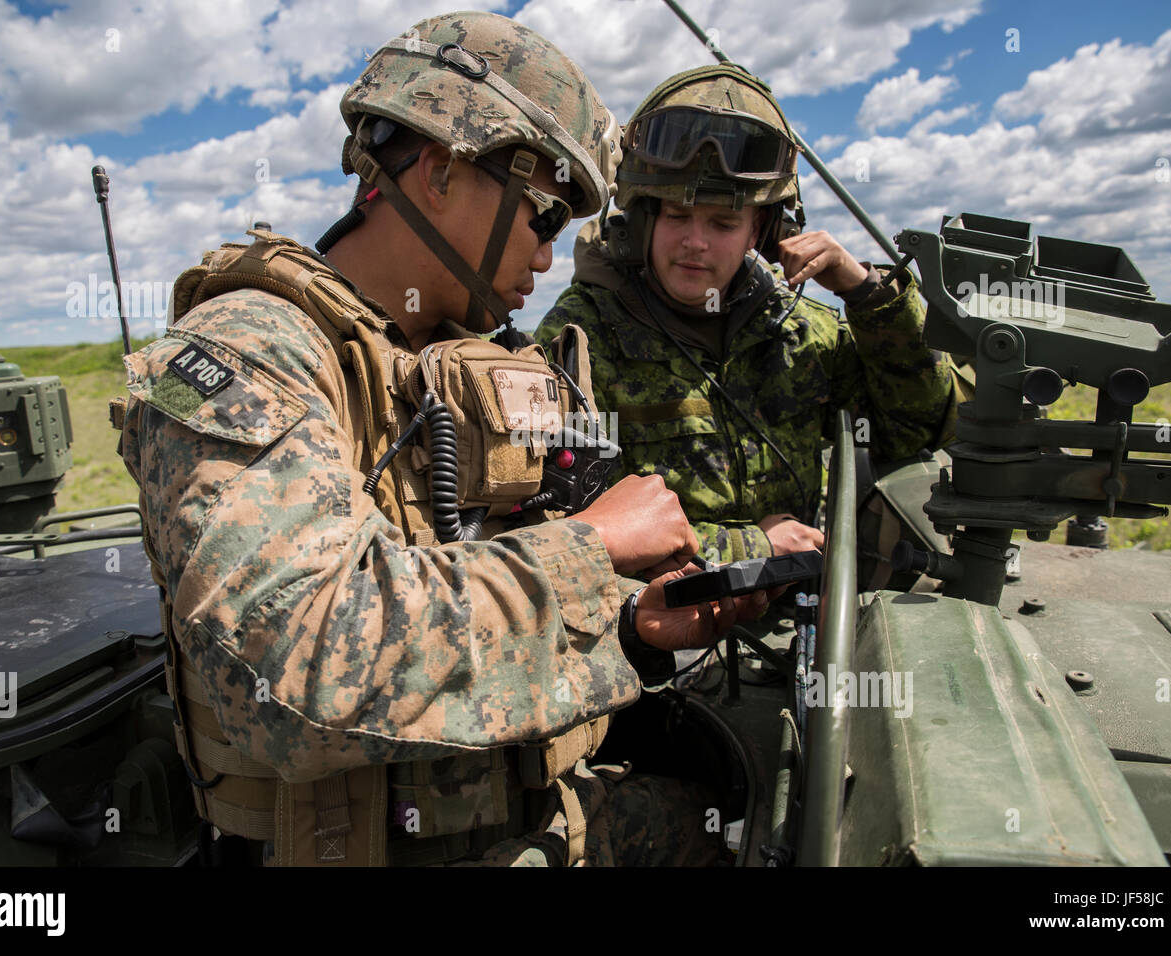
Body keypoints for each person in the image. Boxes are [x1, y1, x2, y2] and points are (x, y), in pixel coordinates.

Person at [115, 12, 771, 867]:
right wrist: (590, 547)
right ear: (439, 173)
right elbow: (297, 670)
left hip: (529, 822)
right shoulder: (248, 351)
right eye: (542, 215)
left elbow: (481, 582)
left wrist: (635, 629)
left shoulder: (471, 363)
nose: (548, 256)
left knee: (737, 806)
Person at [536, 64, 957, 567]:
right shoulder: (581, 337)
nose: (696, 242)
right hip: (656, 624)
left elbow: (914, 430)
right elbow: (575, 523)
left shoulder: (798, 329)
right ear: (644, 218)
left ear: (760, 231)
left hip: (802, 612)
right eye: (677, 216)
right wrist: (752, 547)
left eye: (723, 222)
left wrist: (866, 291)